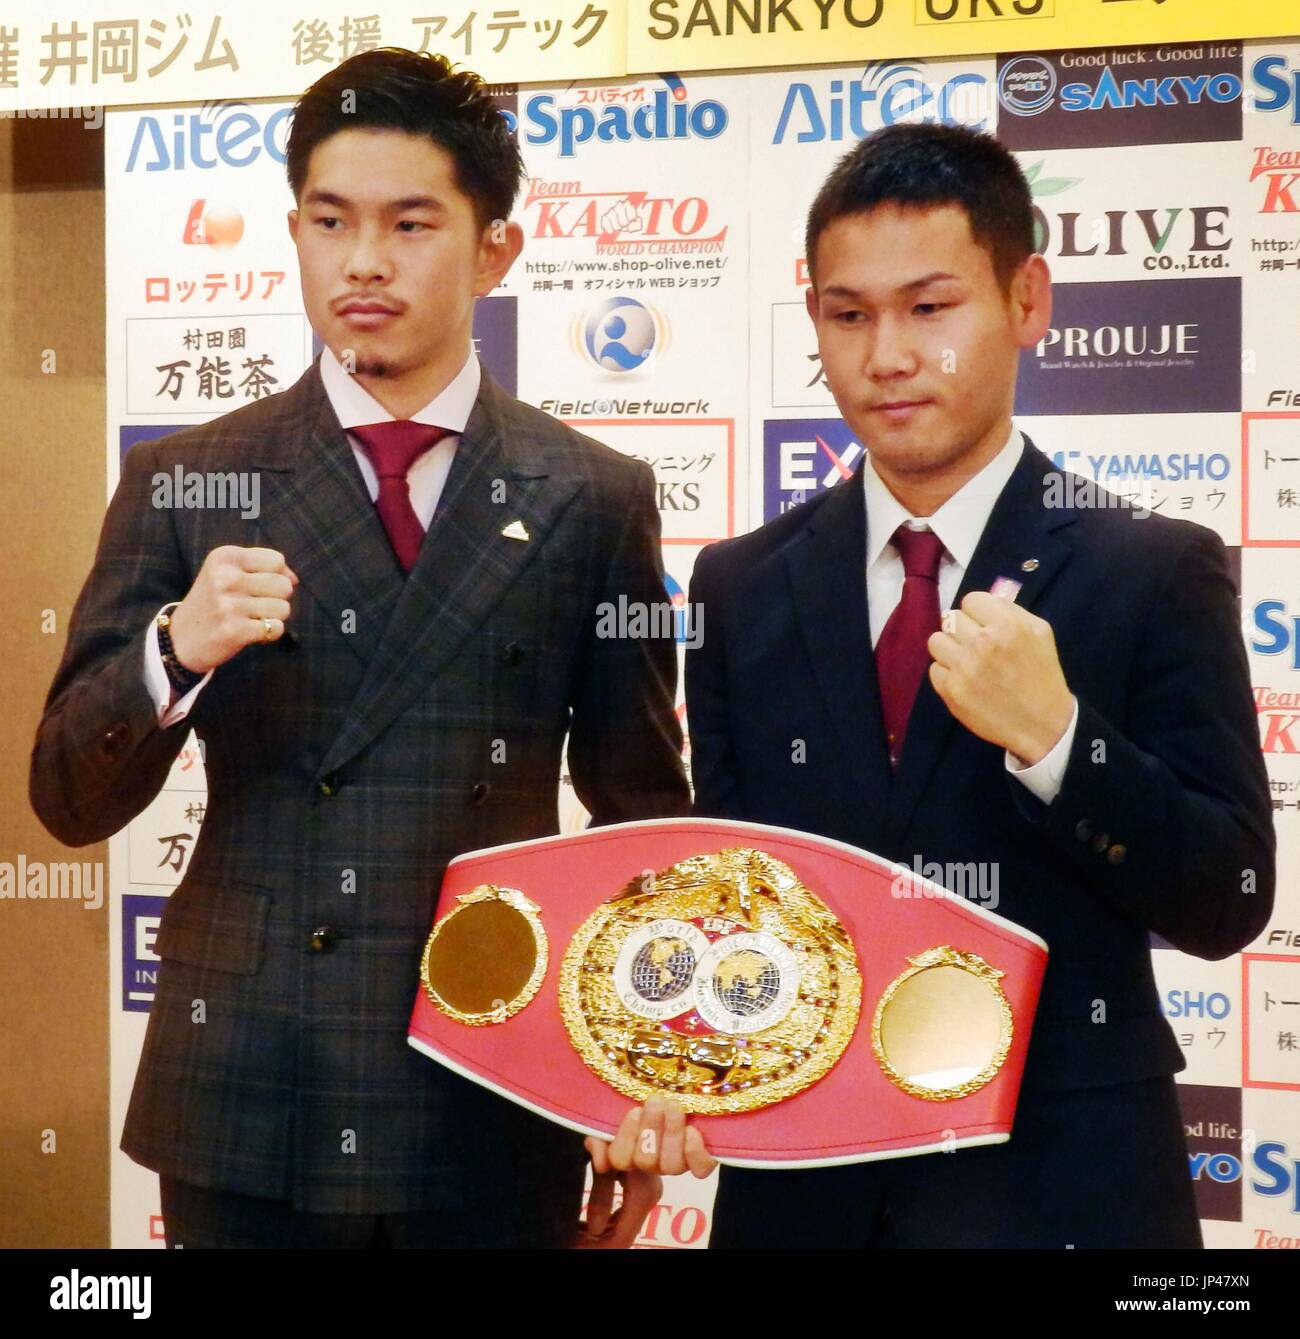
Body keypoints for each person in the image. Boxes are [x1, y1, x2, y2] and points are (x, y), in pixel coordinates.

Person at [30, 46, 689, 1249]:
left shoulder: (591, 494)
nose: (364, 262)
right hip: (251, 1079)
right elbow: (66, 796)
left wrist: (627, 1075)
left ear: (496, 248)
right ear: (293, 233)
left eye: (410, 222)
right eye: (330, 222)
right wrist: (175, 651)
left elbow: (643, 821)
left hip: (493, 1068)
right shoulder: (186, 478)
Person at [609, 121, 1274, 1248]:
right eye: (847, 313)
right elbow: (728, 892)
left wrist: (1059, 741)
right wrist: (665, 1059)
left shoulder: (1150, 564)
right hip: (801, 1179)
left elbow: (1227, 898)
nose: (885, 356)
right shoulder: (739, 581)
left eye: (930, 307)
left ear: (1026, 300)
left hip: (1064, 1180)